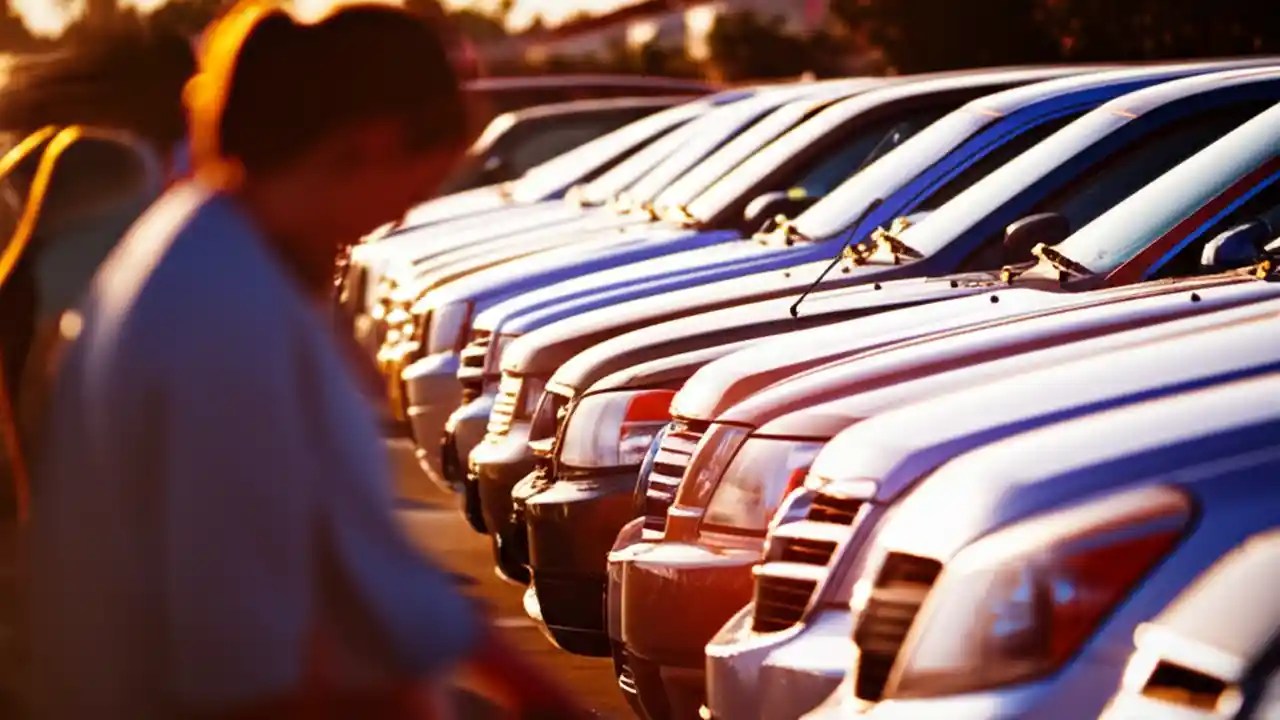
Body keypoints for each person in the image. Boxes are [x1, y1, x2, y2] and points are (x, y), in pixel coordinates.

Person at [28, 3, 587, 718]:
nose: (401, 220)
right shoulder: (224, 314)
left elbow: (349, 556)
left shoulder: (215, 253)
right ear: (371, 145)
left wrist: (517, 680)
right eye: (415, 189)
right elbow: (244, 667)